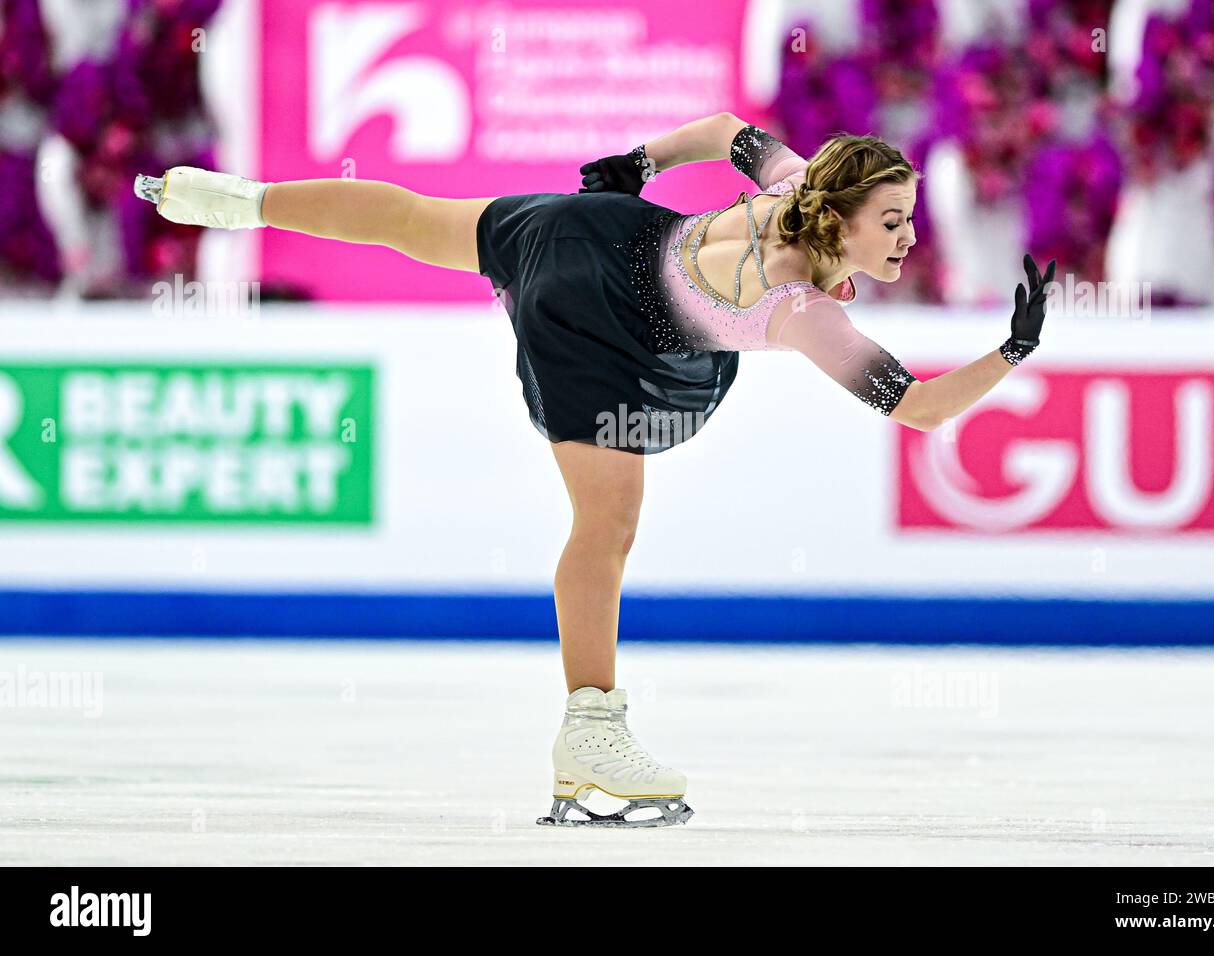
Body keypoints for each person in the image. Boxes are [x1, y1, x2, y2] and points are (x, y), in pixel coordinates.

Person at [135, 111, 1053, 828]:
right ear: (841, 216)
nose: (905, 238)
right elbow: (920, 408)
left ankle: (235, 200)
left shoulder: (794, 179)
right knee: (607, 528)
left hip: (586, 233)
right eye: (891, 220)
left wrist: (640, 167)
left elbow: (718, 127)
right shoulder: (804, 312)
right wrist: (1013, 350)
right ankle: (591, 729)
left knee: (414, 222)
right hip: (592, 327)